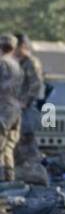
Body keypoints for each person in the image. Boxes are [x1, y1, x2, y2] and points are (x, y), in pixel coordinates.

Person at [13, 34, 45, 175]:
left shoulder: (31, 62)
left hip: (26, 109)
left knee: (27, 141)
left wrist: (25, 102)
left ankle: (37, 173)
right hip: (15, 108)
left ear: (22, 46)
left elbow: (36, 85)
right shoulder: (16, 62)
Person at [0, 35, 23, 181]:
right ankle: (10, 183)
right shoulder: (16, 65)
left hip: (3, 108)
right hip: (15, 109)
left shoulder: (2, 63)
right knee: (7, 148)